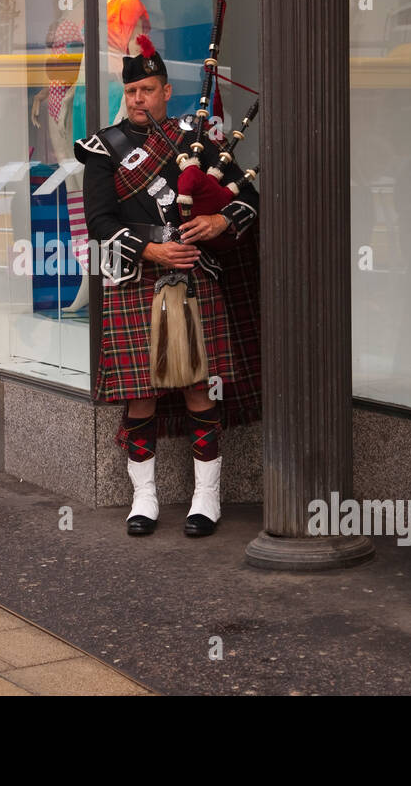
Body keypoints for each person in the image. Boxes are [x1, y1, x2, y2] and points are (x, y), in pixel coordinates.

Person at [74, 37, 260, 538]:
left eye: (147, 89)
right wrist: (152, 250)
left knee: (201, 387)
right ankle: (145, 497)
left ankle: (206, 498)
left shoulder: (194, 140)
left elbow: (249, 200)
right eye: (131, 89)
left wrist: (220, 223)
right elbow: (98, 223)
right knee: (141, 396)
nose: (138, 98)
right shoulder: (102, 149)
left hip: (195, 275)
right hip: (138, 277)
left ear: (166, 91)